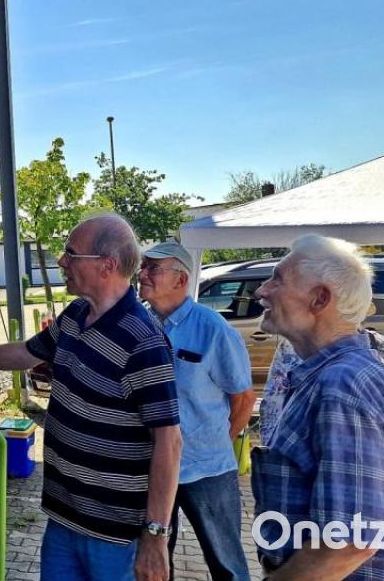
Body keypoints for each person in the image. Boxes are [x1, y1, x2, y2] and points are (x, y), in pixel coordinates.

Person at [0, 215, 181, 581]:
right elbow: (27, 353)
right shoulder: (77, 314)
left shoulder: (144, 342)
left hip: (114, 535)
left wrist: (156, 537)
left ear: (107, 265)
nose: (61, 262)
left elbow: (169, 442)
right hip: (64, 518)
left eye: (71, 253)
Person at [250, 235, 384, 580]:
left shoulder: (343, 385)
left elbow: (349, 541)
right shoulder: (350, 373)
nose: (262, 291)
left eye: (277, 279)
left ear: (319, 299)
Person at [138, 241, 255, 581]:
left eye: (152, 268)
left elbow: (244, 399)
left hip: (206, 470)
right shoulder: (140, 325)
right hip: (154, 467)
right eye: (143, 266)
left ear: (180, 279)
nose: (142, 274)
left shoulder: (212, 329)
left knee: (227, 563)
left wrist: (217, 441)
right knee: (153, 561)